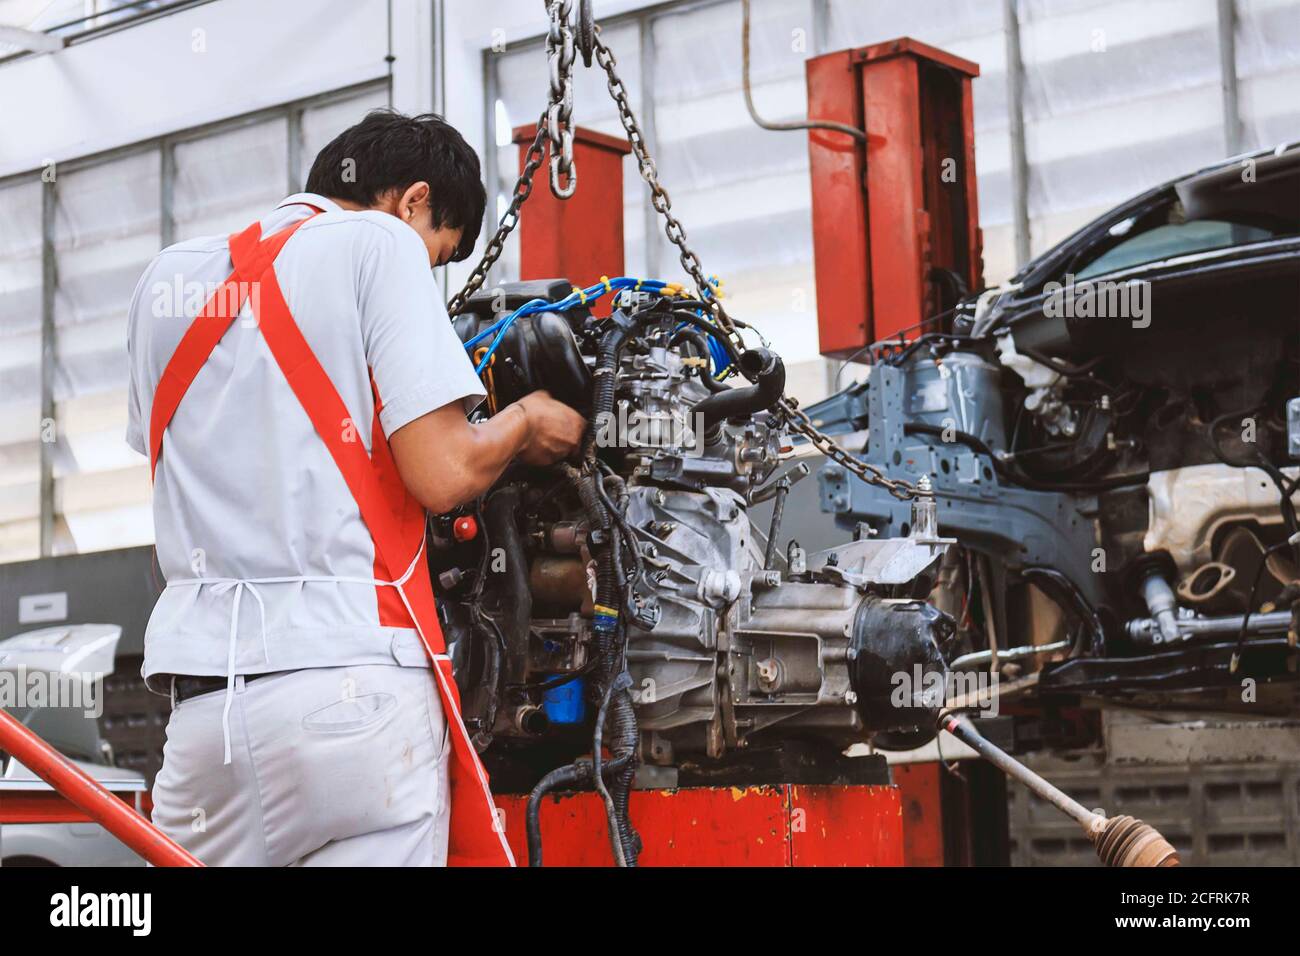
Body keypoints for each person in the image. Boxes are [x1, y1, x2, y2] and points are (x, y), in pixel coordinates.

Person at [125, 109, 585, 866]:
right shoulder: (380, 243)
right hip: (353, 699)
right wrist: (526, 423)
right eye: (440, 251)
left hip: (203, 719)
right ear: (412, 202)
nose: (428, 269)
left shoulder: (165, 278)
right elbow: (443, 473)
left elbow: (175, 487)